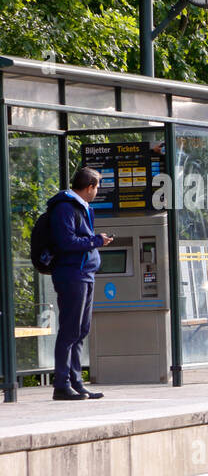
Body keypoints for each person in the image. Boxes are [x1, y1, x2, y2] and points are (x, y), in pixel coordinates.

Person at [48, 167, 113, 401]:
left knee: (81, 330)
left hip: (85, 273)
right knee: (69, 330)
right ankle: (61, 384)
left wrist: (94, 242)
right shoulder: (65, 208)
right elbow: (66, 242)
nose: (97, 192)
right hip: (71, 274)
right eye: (97, 187)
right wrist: (96, 240)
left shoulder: (82, 208)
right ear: (90, 187)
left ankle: (76, 382)